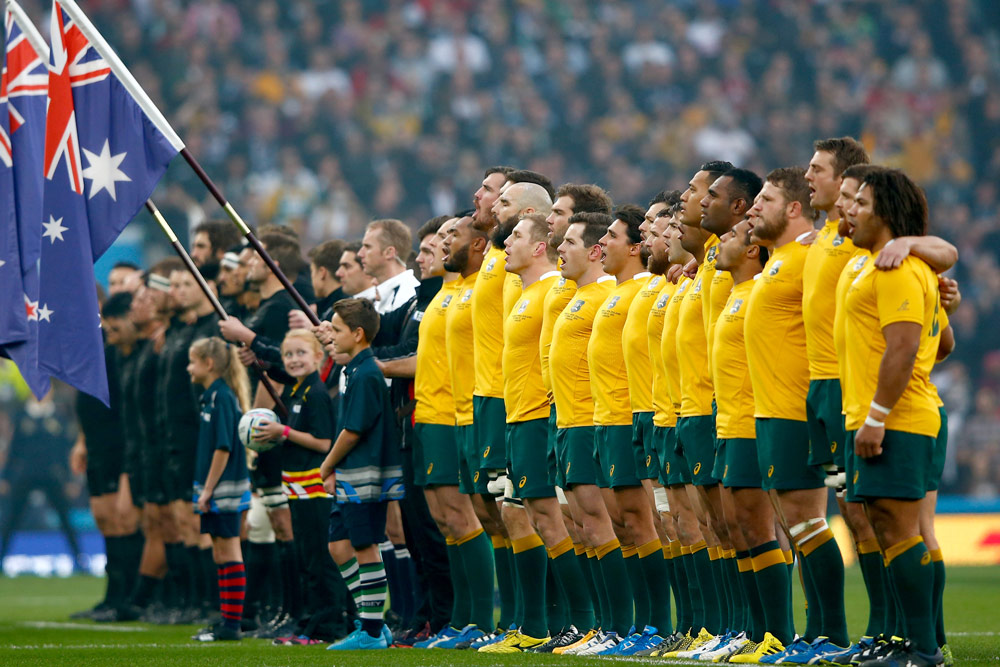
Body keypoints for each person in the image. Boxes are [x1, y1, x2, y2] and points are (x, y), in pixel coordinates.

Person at [841, 169, 948, 667]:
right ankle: (909, 642)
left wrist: (878, 416)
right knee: (886, 528)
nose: (852, 210)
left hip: (899, 418)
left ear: (884, 212)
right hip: (875, 415)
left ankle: (925, 649)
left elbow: (903, 348)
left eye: (861, 202)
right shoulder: (872, 265)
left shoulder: (899, 268)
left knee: (902, 530)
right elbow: (942, 341)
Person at [745, 167, 849, 662]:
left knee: (808, 523)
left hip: (795, 408)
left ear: (791, 208)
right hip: (769, 410)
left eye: (764, 199)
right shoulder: (779, 258)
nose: (753, 207)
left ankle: (832, 633)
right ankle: (815, 633)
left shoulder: (809, 254)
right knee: (793, 526)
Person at [581, 204, 654, 655]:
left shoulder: (642, 290)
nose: (601, 243)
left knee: (642, 522)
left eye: (610, 235)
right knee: (624, 526)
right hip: (603, 419)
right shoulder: (615, 291)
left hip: (629, 417)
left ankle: (654, 626)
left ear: (634, 246)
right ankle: (627, 628)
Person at [708, 219, 779, 663]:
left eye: (731, 237)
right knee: (738, 528)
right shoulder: (735, 294)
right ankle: (755, 632)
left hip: (755, 422)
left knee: (760, 526)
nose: (722, 243)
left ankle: (779, 632)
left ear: (753, 251)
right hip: (728, 423)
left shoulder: (760, 294)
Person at [548, 213, 617, 655]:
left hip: (589, 422)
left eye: (569, 241)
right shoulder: (577, 297)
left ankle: (621, 625)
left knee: (602, 522)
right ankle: (600, 625)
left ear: (594, 251)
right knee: (580, 525)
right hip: (564, 421)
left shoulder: (604, 295)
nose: (560, 248)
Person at [320, 298, 403, 651]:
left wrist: (327, 465)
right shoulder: (354, 369)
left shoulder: (368, 372)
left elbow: (353, 430)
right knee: (339, 545)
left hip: (365, 474)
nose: (332, 337)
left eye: (337, 330)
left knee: (364, 545)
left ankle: (370, 630)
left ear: (357, 334)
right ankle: (371, 619)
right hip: (352, 473)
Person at [258, 329, 344, 645]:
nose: (294, 360)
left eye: (300, 353)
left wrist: (282, 431)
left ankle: (328, 626)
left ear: (317, 357)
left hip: (314, 490)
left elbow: (323, 443)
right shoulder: (297, 391)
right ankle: (310, 623)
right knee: (307, 560)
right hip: (296, 488)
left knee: (320, 561)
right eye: (289, 355)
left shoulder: (316, 395)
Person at [187, 337, 252, 642]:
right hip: (215, 488)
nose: (189, 368)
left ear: (208, 364)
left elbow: (223, 448)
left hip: (224, 488)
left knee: (229, 549)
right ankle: (227, 619)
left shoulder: (222, 397)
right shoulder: (211, 396)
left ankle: (232, 624)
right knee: (219, 551)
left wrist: (207, 490)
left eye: (192, 361)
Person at [356, 219, 420, 315]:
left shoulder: (407, 295)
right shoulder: (382, 294)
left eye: (368, 247)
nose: (360, 254)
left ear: (389, 252)